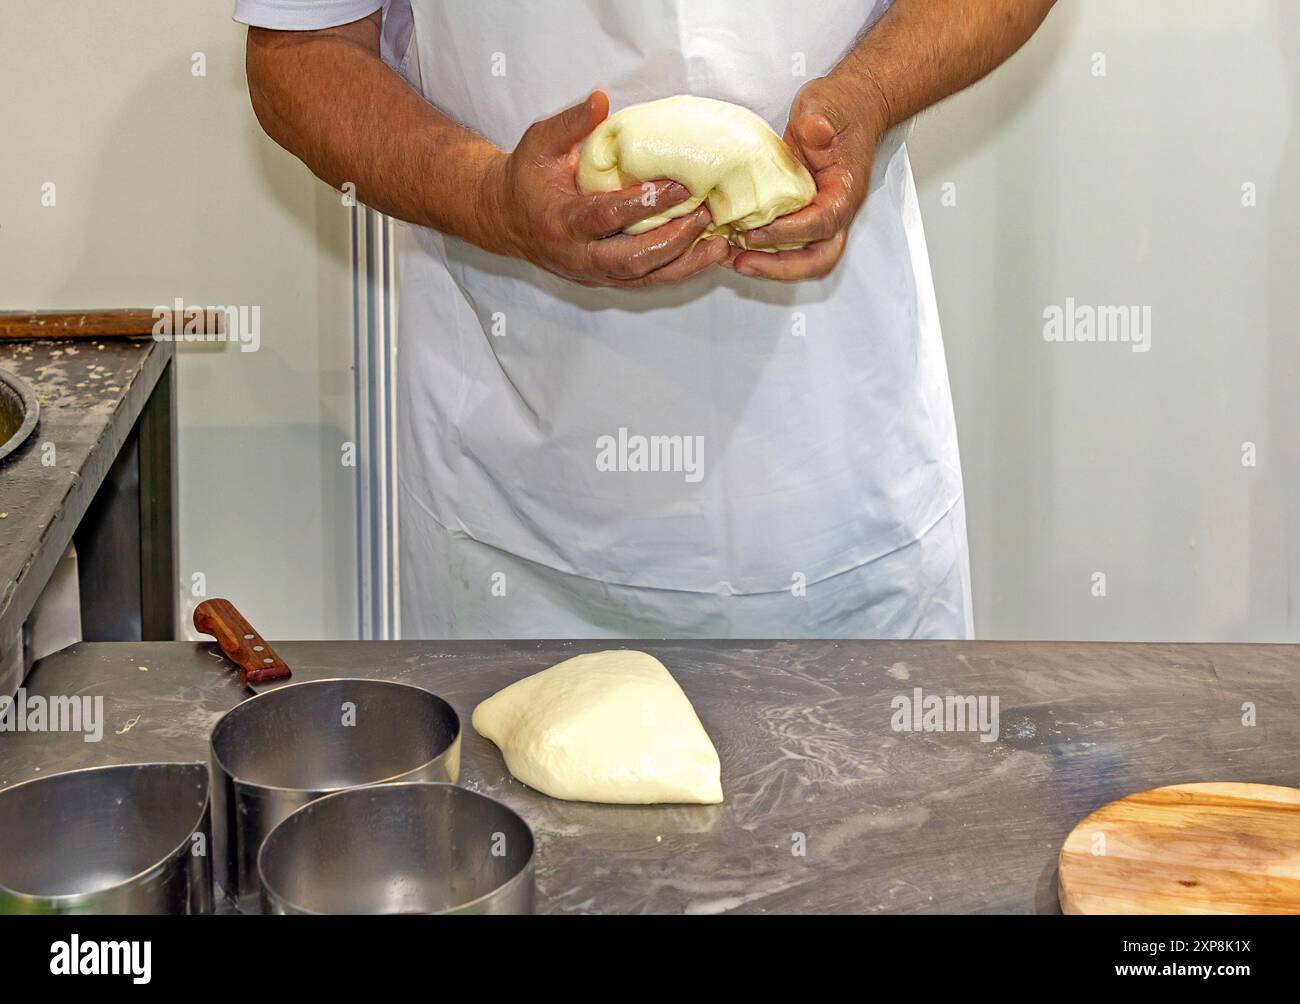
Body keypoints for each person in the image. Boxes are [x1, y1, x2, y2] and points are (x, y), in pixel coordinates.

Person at [235, 0, 1056, 639]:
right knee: (531, 849)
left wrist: (872, 92)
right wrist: (490, 200)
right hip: (518, 522)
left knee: (874, 847)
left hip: (842, 483)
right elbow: (301, 50)